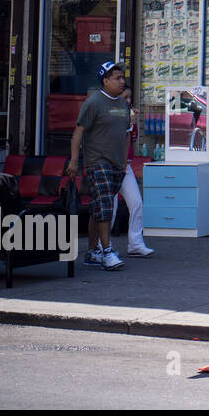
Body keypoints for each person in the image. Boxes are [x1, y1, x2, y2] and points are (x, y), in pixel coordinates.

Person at [67, 62, 130, 271]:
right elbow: (78, 132)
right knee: (105, 206)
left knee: (98, 208)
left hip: (116, 165)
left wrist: (123, 161)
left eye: (122, 77)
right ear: (105, 81)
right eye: (117, 78)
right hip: (97, 162)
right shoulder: (93, 102)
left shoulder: (123, 105)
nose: (122, 81)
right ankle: (107, 250)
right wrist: (74, 161)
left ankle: (92, 252)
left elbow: (126, 134)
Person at [117, 89, 154, 257]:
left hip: (126, 166)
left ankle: (135, 243)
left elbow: (132, 140)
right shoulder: (112, 115)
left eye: (130, 97)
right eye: (125, 97)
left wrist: (132, 123)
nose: (128, 100)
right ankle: (103, 247)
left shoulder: (129, 115)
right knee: (110, 208)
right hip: (111, 165)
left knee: (137, 202)